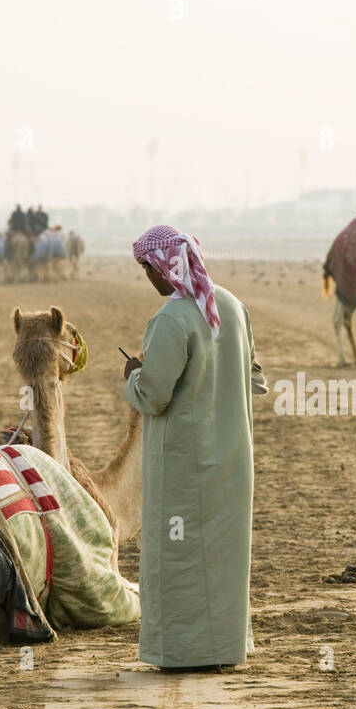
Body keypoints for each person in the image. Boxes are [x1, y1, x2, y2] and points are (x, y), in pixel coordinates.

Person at [123, 224, 265, 670]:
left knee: (178, 555)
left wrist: (132, 374)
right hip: (232, 459)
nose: (148, 277)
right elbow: (255, 376)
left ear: (163, 266)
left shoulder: (172, 318)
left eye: (147, 267)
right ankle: (224, 648)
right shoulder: (233, 307)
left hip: (183, 464)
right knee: (223, 554)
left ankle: (180, 653)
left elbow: (154, 394)